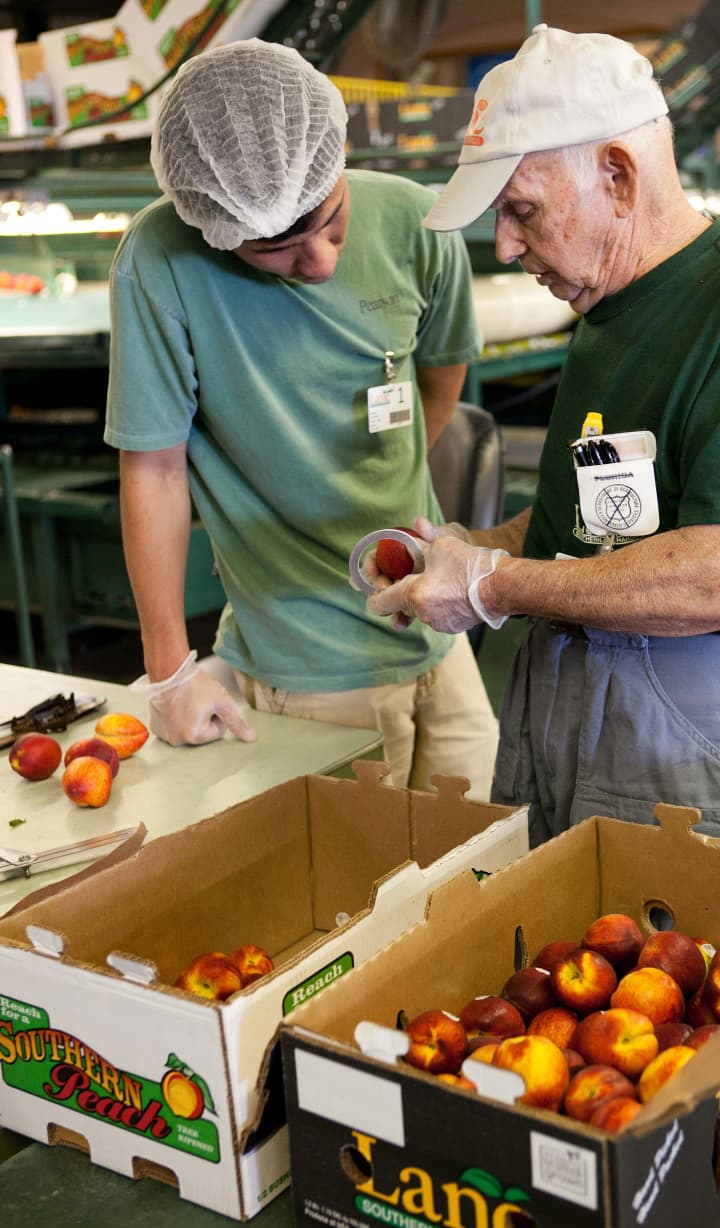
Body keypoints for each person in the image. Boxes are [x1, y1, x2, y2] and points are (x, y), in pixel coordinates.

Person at [369, 25, 720, 847]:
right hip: (569, 683)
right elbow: (592, 524)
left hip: (686, 708)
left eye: (521, 210)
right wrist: (472, 549)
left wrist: (496, 586)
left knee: (670, 955)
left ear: (616, 176)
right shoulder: (605, 308)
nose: (508, 245)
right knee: (554, 944)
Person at [104, 39, 499, 798]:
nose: (317, 261)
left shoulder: (419, 224)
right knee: (353, 896)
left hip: (434, 628)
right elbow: (153, 468)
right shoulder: (159, 262)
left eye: (329, 222)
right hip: (301, 658)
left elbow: (436, 385)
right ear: (214, 230)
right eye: (274, 251)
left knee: (475, 858)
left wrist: (389, 501)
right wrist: (167, 672)